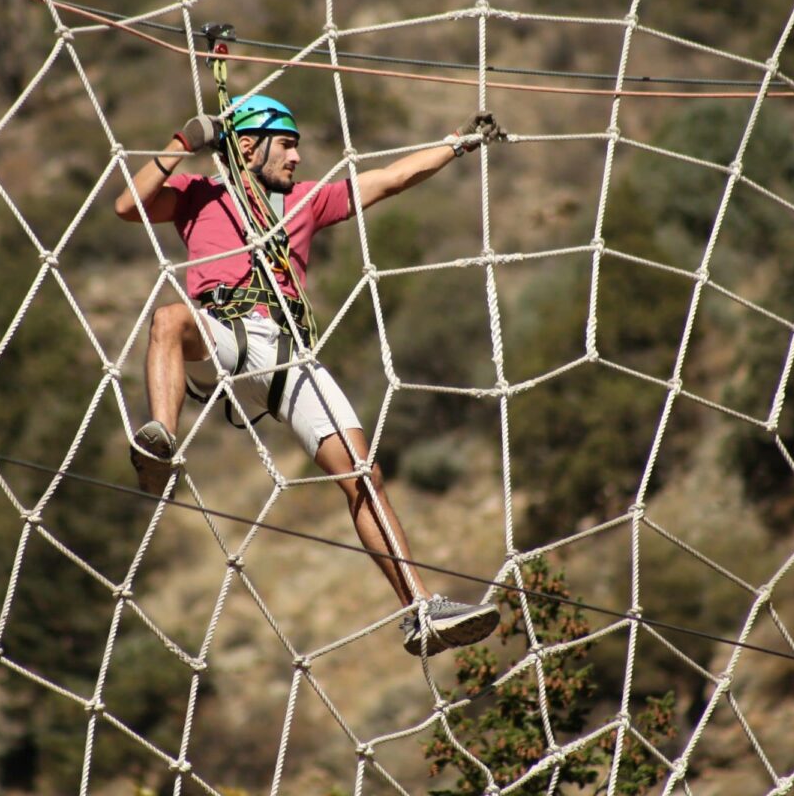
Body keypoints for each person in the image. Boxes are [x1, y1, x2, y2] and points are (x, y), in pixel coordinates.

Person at [113, 94, 505, 656]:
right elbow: (128, 206)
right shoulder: (198, 194)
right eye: (286, 145)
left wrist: (456, 145)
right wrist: (185, 141)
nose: (297, 157)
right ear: (249, 148)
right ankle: (161, 445)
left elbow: (391, 179)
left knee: (363, 475)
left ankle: (420, 611)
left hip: (287, 353)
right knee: (169, 319)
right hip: (220, 334)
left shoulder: (306, 202)